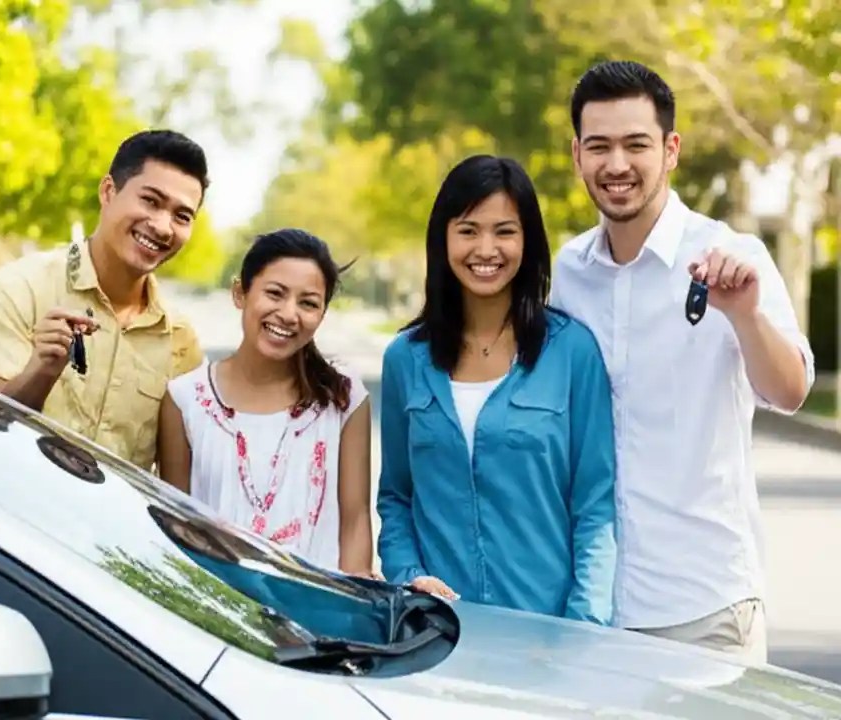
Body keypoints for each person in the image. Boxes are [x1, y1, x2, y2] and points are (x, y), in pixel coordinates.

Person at [550, 61, 814, 662]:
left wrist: (745, 315)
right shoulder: (568, 273)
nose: (617, 164)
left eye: (636, 144)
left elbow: (791, 390)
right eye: (599, 146)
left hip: (704, 607)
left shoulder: (731, 255)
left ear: (671, 150)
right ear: (577, 155)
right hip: (590, 607)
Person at [377, 154, 617, 626]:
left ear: (528, 241)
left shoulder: (572, 352)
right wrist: (408, 575)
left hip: (551, 635)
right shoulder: (405, 359)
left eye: (504, 231)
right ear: (442, 237)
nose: (486, 248)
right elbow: (396, 497)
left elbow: (595, 507)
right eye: (468, 230)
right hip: (437, 634)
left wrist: (584, 627)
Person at [0, 129, 209, 472]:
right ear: (108, 191)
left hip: (109, 526)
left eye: (182, 216)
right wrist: (41, 371)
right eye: (150, 201)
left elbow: (175, 484)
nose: (163, 226)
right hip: (6, 519)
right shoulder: (19, 289)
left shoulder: (180, 339)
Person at [156, 229, 374, 576]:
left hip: (319, 615)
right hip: (216, 613)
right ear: (240, 293)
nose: (289, 314)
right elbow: (178, 527)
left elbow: (355, 521)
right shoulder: (185, 400)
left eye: (308, 303)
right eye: (275, 293)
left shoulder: (343, 398)